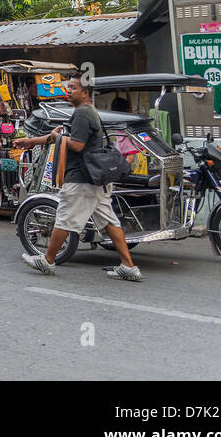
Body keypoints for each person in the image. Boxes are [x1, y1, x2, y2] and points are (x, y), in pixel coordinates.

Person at [15, 74, 141, 282]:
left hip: (81, 178)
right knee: (109, 220)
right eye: (68, 87)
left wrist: (58, 138)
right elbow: (62, 137)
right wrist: (31, 141)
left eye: (73, 88)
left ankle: (47, 260)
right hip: (94, 180)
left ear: (85, 93)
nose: (68, 91)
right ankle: (128, 266)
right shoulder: (86, 112)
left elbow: (77, 145)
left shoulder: (82, 114)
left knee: (64, 218)